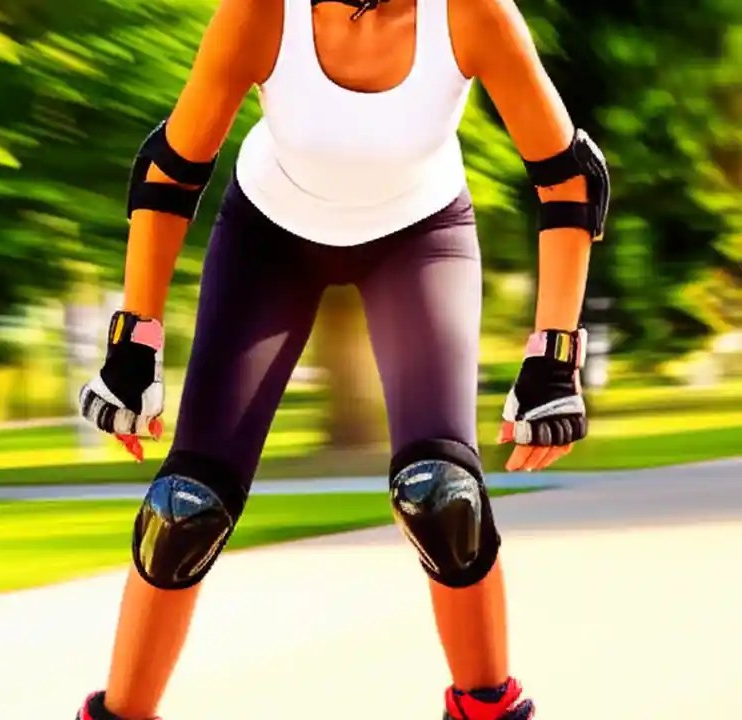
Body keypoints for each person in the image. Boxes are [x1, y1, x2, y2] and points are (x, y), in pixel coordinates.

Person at [74, 0, 609, 716]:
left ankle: (487, 708)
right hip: (270, 237)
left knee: (443, 498)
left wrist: (554, 357)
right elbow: (172, 166)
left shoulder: (473, 12)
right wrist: (132, 342)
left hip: (419, 236)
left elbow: (568, 174)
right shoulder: (262, 10)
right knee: (185, 512)